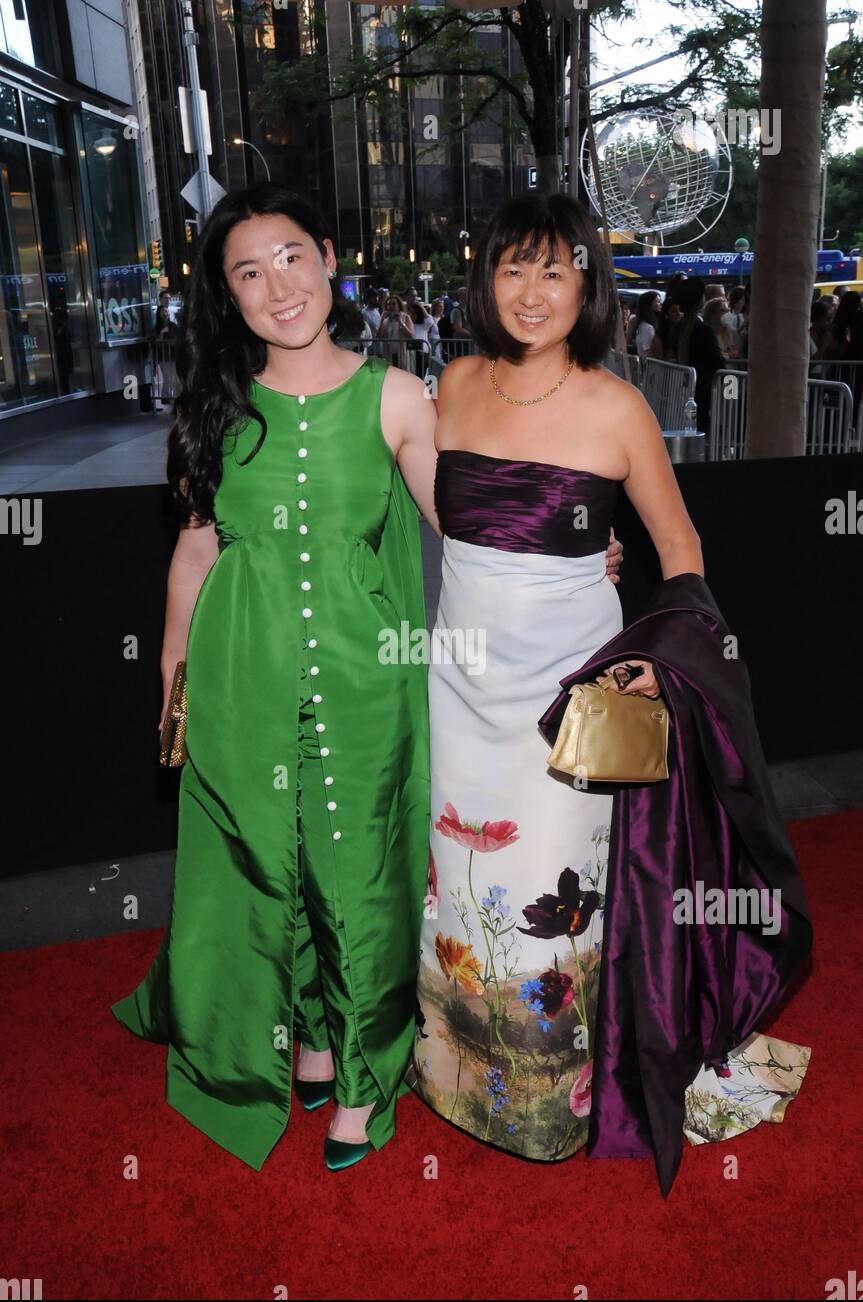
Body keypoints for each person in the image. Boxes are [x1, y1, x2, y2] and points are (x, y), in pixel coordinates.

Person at [407, 192, 812, 1196]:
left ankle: (554, 1101)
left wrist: (651, 661)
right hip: (456, 685)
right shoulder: (448, 384)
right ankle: (461, 1076)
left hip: (564, 690)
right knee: (462, 882)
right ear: (484, 278)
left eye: (554, 269)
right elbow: (446, 521)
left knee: (550, 897)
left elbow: (681, 557)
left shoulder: (615, 405)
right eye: (512, 267)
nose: (530, 290)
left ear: (585, 282)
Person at [111, 184, 440, 1173]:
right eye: (247, 272)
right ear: (228, 296)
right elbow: (195, 551)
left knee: (359, 877)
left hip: (365, 676)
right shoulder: (210, 406)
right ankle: (308, 1039)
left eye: (291, 256)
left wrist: (563, 549)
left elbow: (458, 524)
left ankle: (364, 1083)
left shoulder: (394, 392)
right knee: (268, 869)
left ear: (328, 259)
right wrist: (174, 671)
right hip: (240, 674)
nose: (277, 286)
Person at [672, 275, 725, 434]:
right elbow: (717, 361)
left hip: (683, 388)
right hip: (703, 389)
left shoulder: (677, 329)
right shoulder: (704, 330)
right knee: (702, 428)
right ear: (700, 300)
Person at [627, 290, 660, 361]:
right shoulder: (647, 328)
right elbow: (649, 353)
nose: (659, 304)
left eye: (659, 302)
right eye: (657, 301)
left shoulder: (642, 324)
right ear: (648, 304)